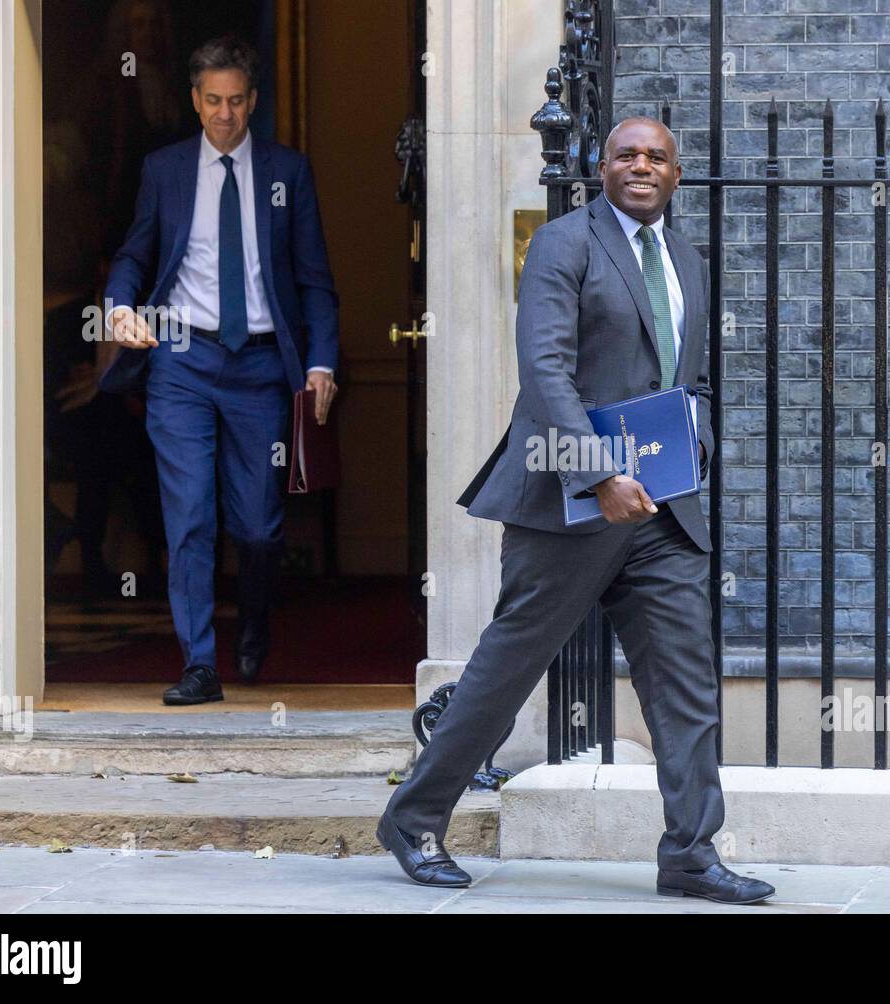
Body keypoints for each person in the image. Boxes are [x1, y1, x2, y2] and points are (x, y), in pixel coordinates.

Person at [376, 118, 774, 905]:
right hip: (570, 502)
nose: (641, 165)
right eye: (627, 154)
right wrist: (599, 477)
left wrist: (695, 448)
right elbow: (546, 370)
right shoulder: (566, 244)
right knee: (507, 668)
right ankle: (415, 818)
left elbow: (688, 381)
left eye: (657, 156)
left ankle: (691, 853)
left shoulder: (685, 259)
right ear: (601, 168)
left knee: (685, 681)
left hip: (660, 509)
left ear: (677, 173)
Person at [100, 34, 339, 704]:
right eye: (213, 101)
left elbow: (315, 280)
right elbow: (134, 254)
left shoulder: (288, 173)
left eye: (236, 101)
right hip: (181, 362)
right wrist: (120, 306)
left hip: (261, 368)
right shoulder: (165, 170)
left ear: (253, 102)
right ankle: (199, 663)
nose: (225, 114)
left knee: (259, 528)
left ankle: (255, 622)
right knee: (190, 515)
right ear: (195, 101)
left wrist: (321, 361)